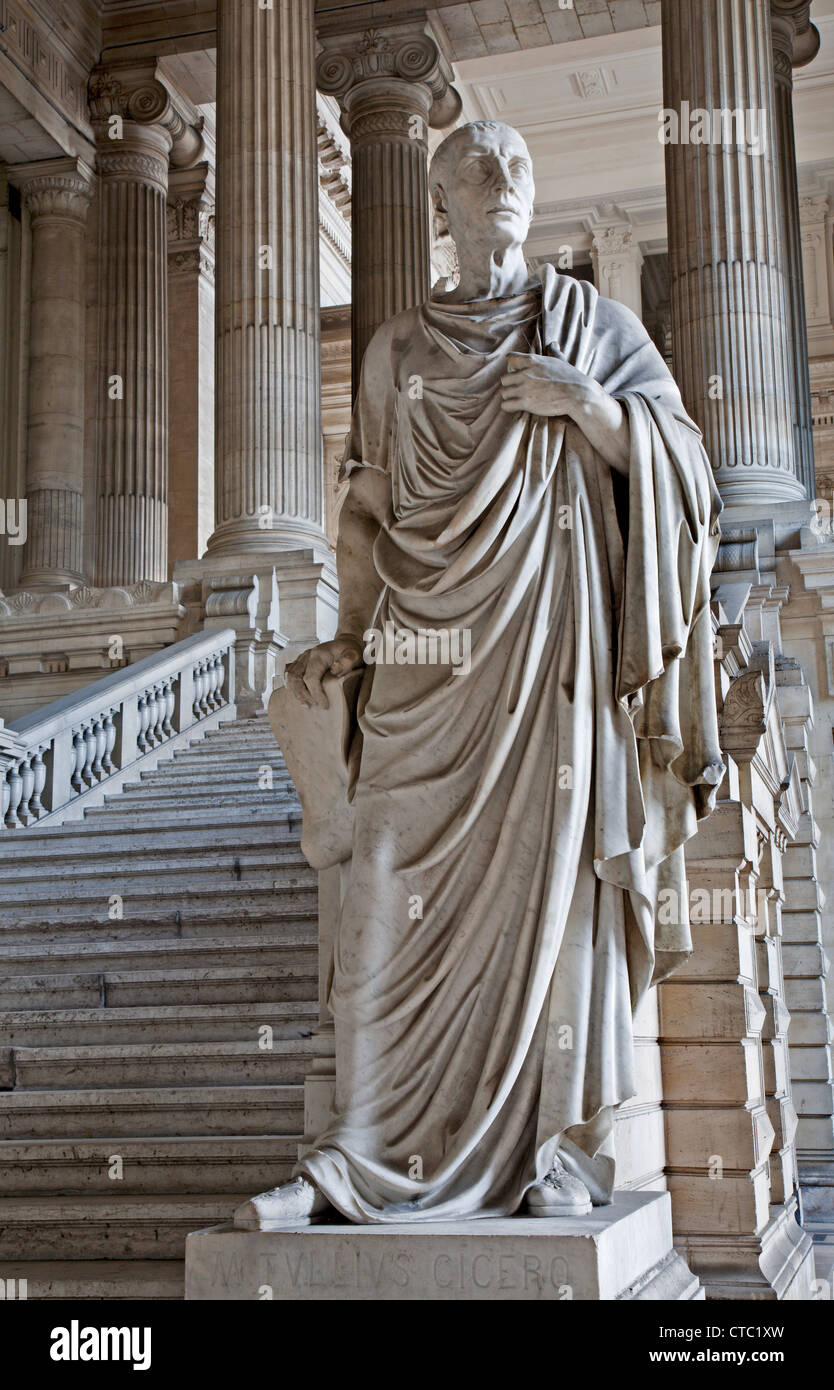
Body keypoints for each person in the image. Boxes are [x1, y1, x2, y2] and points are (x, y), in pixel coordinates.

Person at [234, 120, 723, 1229]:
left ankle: (552, 1145)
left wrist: (593, 414)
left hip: (553, 660)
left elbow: (686, 463)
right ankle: (352, 1153)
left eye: (515, 168)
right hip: (423, 666)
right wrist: (350, 640)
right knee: (380, 892)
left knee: (556, 903)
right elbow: (371, 512)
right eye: (476, 169)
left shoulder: (591, 326)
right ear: (439, 201)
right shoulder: (396, 352)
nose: (501, 182)